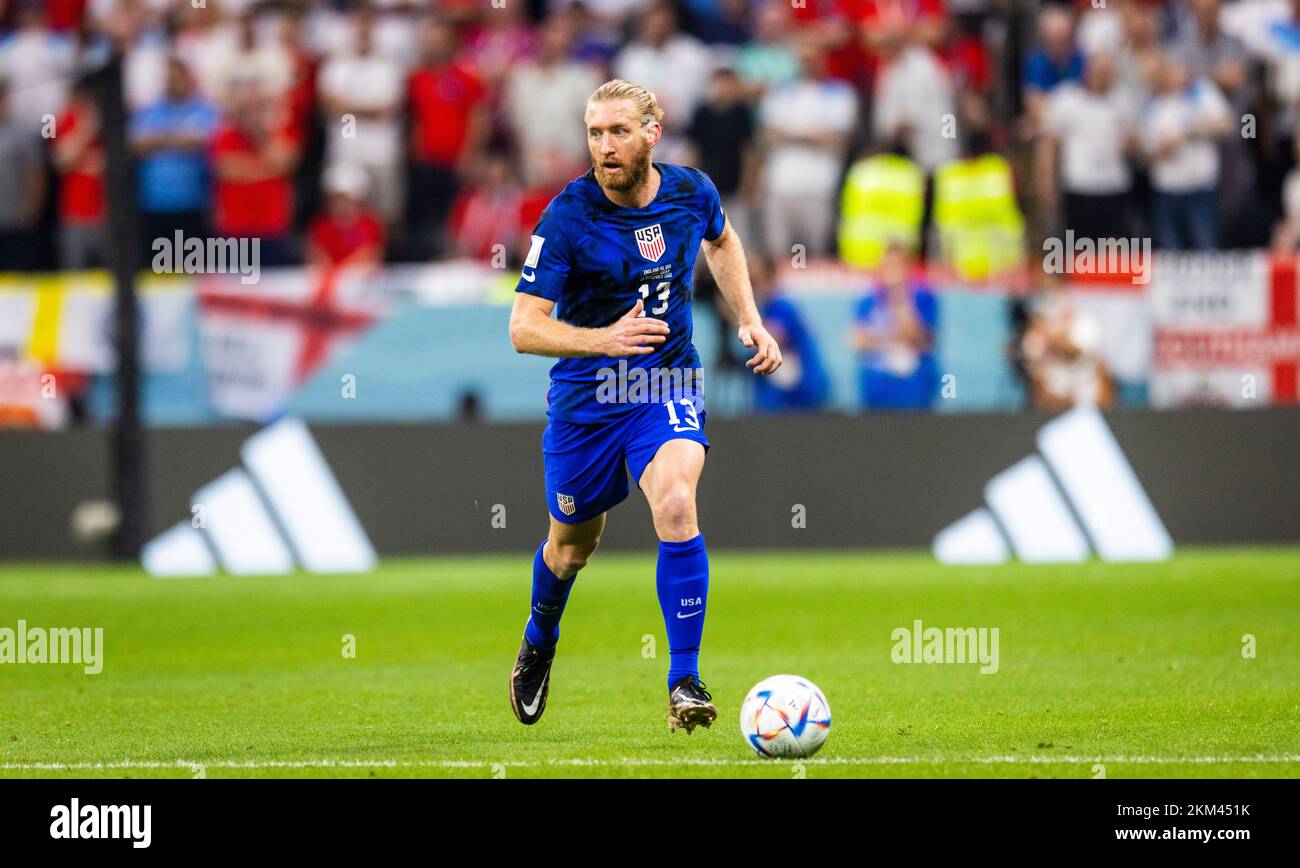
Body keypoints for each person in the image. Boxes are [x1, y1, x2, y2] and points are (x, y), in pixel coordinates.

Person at [506, 79, 783, 733]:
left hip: (665, 384)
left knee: (678, 502)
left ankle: (684, 680)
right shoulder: (568, 217)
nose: (605, 147)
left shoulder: (691, 191)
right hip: (588, 399)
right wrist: (602, 340)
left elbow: (722, 240)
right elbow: (523, 327)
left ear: (652, 134)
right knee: (571, 550)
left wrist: (748, 317)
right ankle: (540, 640)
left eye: (619, 132)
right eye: (595, 133)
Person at [850, 242, 939, 410]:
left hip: (914, 387)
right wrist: (893, 339)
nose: (892, 272)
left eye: (897, 266)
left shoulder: (924, 298)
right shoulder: (867, 301)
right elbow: (858, 342)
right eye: (888, 266)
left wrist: (899, 296)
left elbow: (917, 336)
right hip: (878, 386)